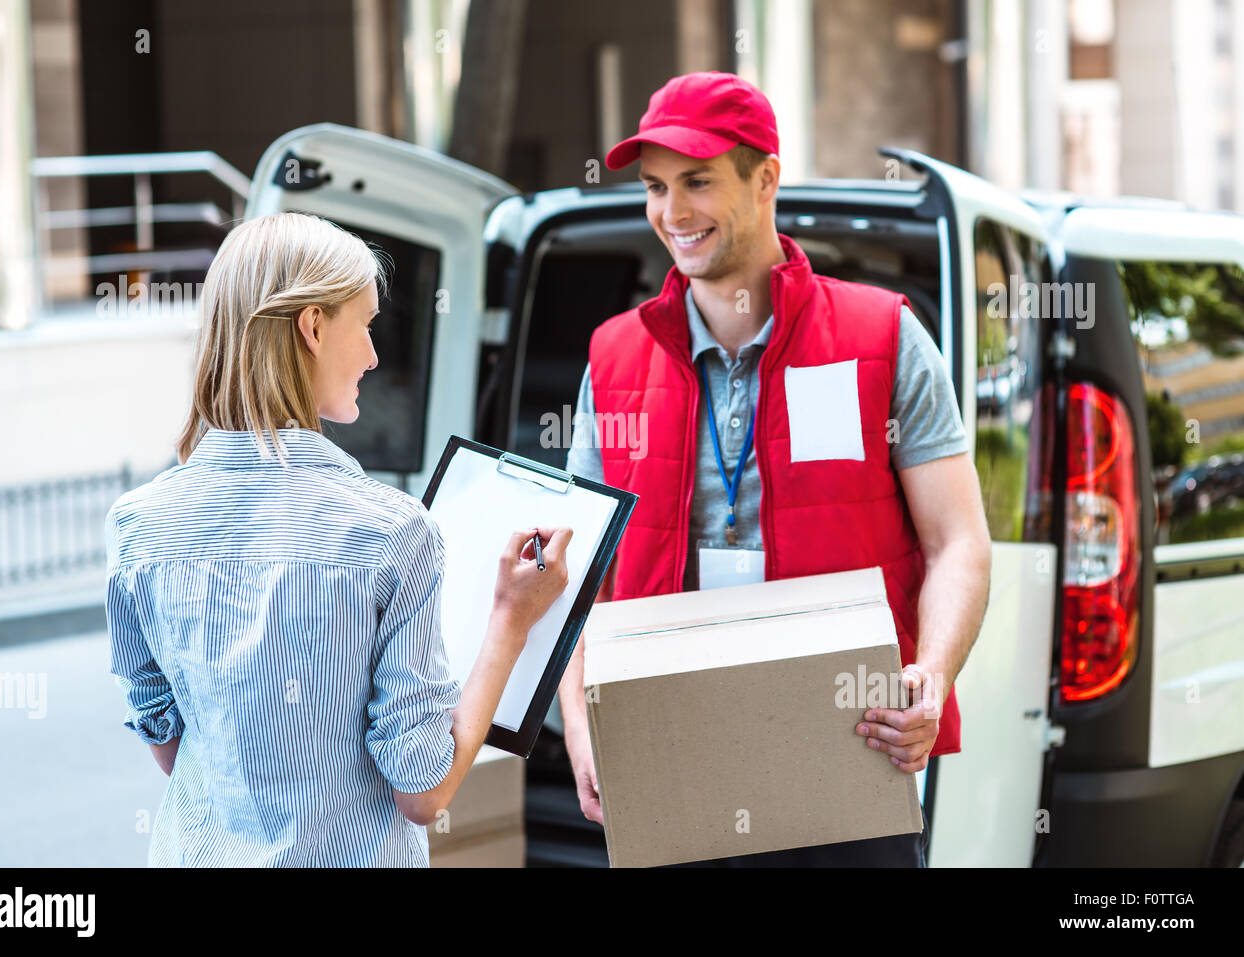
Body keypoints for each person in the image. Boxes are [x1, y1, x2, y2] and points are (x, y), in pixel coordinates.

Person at [557, 72, 992, 866]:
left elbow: (958, 540)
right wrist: (580, 726)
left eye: (697, 181)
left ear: (766, 179)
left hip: (847, 754)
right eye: (656, 187)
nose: (672, 212)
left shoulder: (883, 336)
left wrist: (931, 672)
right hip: (669, 754)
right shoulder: (612, 358)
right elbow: (577, 572)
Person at [106, 211, 571, 867]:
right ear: (314, 326)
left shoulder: (136, 525)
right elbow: (424, 790)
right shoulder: (391, 530)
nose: (376, 355)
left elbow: (165, 733)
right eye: (368, 324)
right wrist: (510, 619)